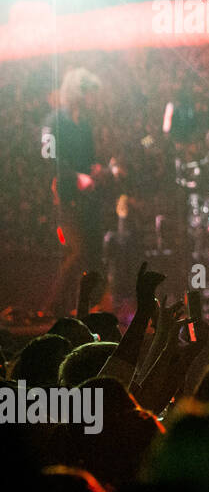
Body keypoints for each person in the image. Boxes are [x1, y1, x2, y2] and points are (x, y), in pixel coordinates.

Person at [42, 68, 115, 316]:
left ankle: (86, 307)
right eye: (90, 94)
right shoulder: (54, 122)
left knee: (93, 251)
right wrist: (75, 177)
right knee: (78, 250)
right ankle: (52, 307)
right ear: (78, 93)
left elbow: (88, 159)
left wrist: (96, 170)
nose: (94, 100)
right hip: (66, 197)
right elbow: (48, 157)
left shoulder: (84, 124)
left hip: (88, 198)